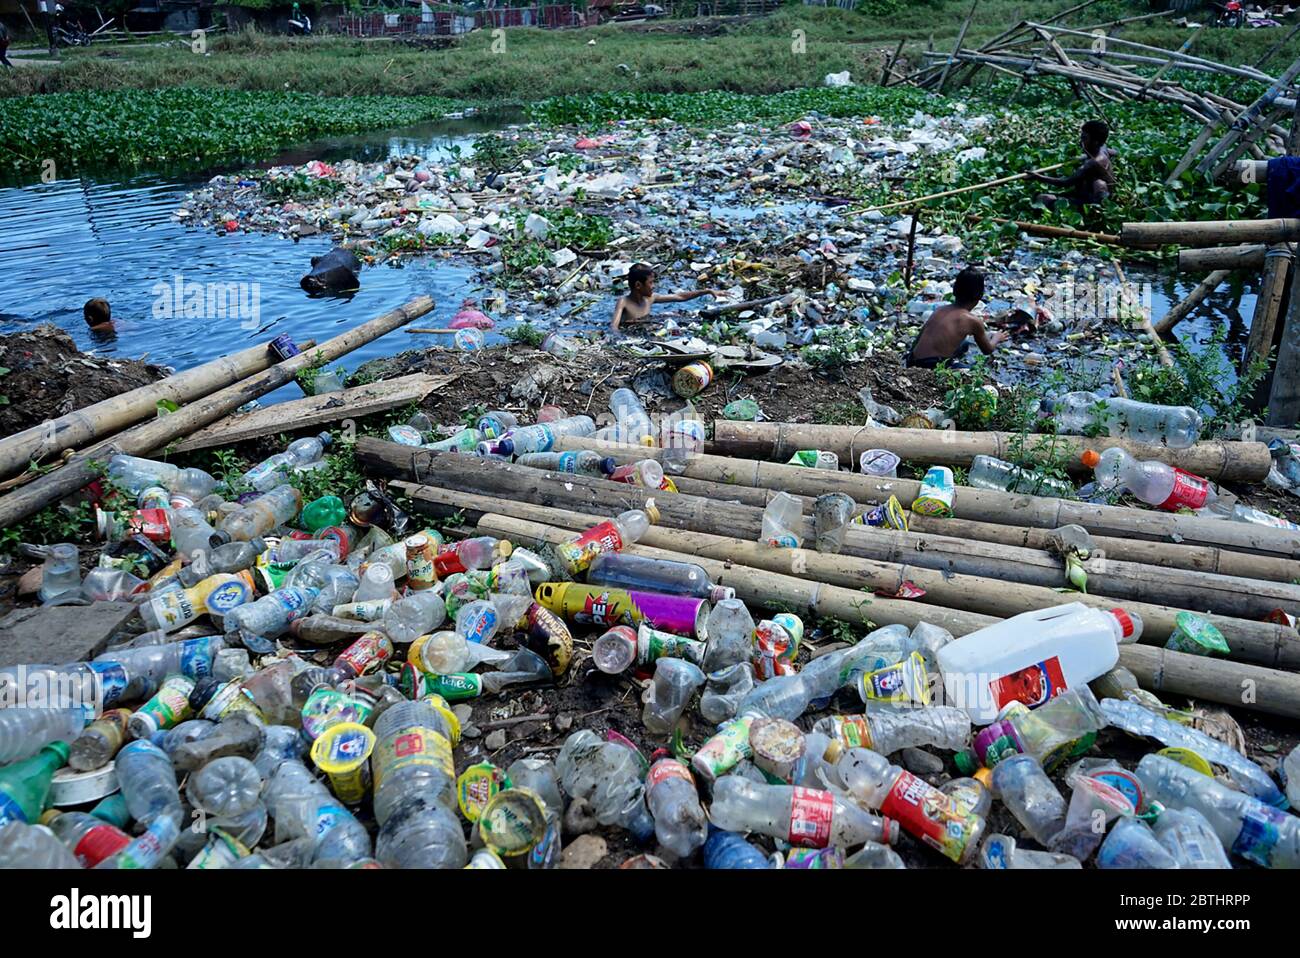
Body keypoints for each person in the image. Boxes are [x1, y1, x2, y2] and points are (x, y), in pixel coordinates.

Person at [905, 267, 1007, 369]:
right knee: (973, 370)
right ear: (979, 295)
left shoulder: (940, 309)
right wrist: (997, 338)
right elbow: (987, 350)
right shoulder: (973, 321)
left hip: (912, 360)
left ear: (954, 290)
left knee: (964, 344)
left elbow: (918, 340)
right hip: (930, 365)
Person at [610, 263, 723, 334]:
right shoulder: (623, 302)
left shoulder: (650, 299)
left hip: (645, 327)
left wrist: (707, 291)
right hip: (631, 332)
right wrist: (620, 338)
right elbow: (614, 327)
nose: (653, 286)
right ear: (638, 285)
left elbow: (680, 296)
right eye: (650, 283)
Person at [1029, 119, 1116, 209]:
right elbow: (1114, 152)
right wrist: (1083, 157)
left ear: (1095, 142)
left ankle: (1094, 212)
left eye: (1084, 138)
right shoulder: (1103, 149)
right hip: (1086, 192)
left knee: (1044, 199)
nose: (1080, 142)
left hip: (1093, 202)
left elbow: (1066, 182)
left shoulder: (1091, 164)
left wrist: (1038, 177)